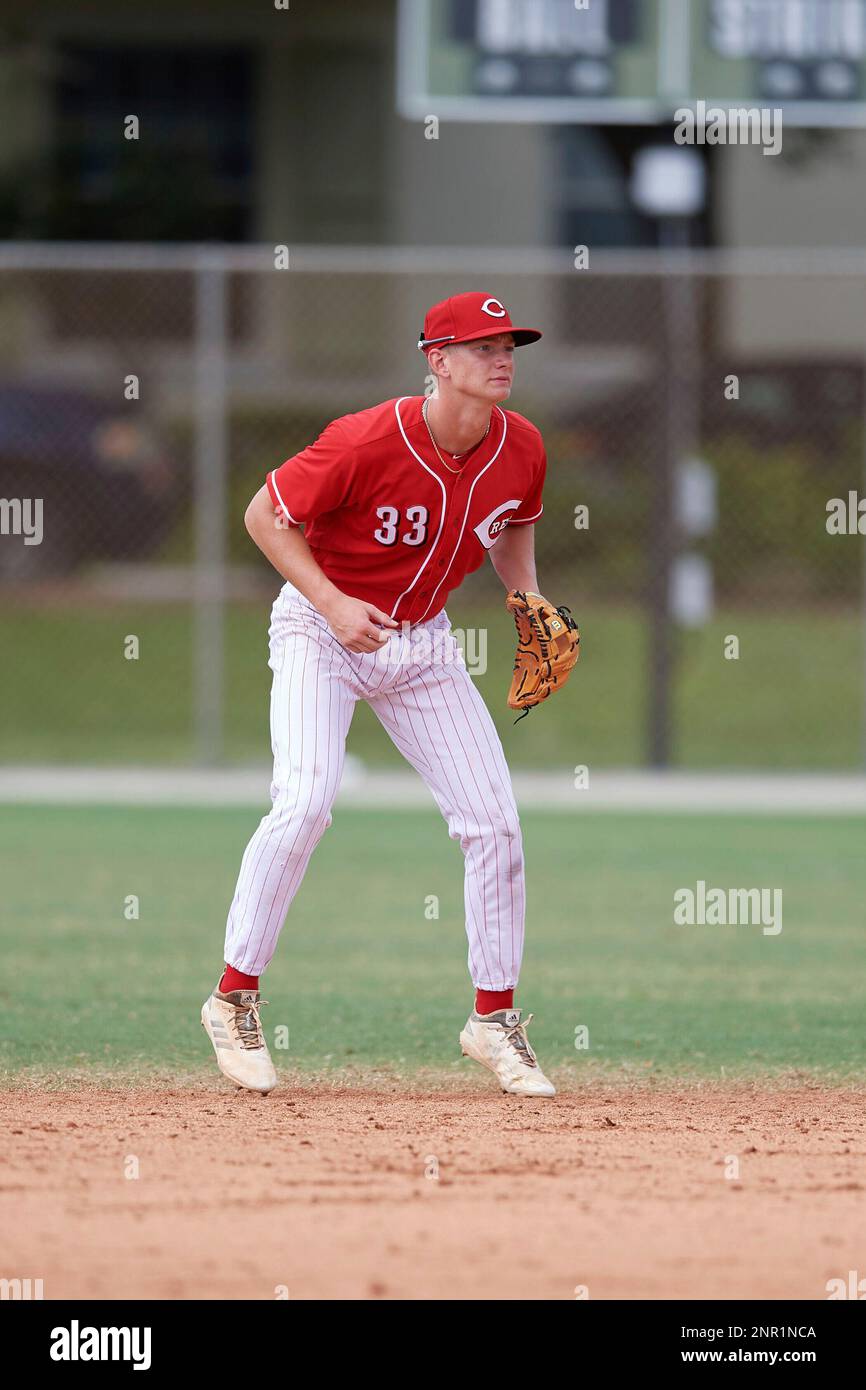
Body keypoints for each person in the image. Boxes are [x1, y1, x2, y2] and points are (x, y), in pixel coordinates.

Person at [202, 291, 557, 1097]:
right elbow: (265, 514)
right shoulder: (365, 438)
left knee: (495, 824)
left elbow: (516, 519)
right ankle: (233, 998)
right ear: (437, 361)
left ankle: (493, 1021)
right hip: (318, 631)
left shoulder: (522, 446)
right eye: (482, 347)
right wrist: (329, 602)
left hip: (422, 643)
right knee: (306, 802)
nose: (502, 359)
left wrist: (525, 597)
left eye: (510, 346)